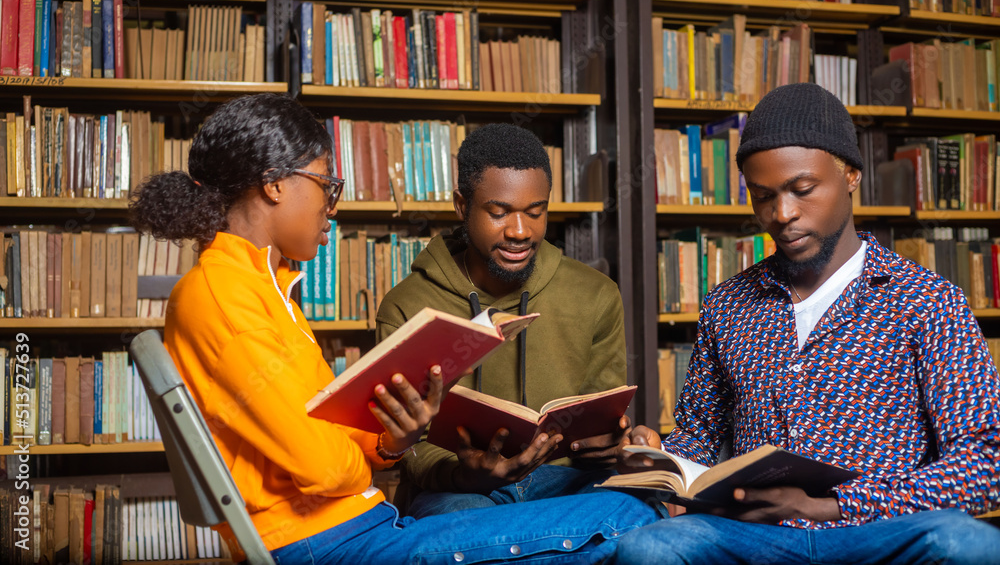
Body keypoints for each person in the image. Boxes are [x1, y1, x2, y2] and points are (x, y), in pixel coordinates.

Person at [129, 94, 662, 565]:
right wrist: (369, 454)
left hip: (355, 528)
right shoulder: (224, 297)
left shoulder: (263, 288)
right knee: (622, 519)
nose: (330, 209)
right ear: (273, 184)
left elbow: (332, 434)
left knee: (615, 514)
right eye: (324, 185)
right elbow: (328, 468)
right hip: (328, 541)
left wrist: (389, 440)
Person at [612, 82, 1000, 565]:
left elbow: (983, 466)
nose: (783, 214)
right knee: (648, 548)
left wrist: (827, 505)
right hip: (755, 538)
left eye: (803, 189)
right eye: (763, 197)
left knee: (970, 543)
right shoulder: (726, 305)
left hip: (874, 533)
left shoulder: (929, 302)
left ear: (851, 174)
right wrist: (659, 457)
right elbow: (699, 440)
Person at [376, 123, 629, 518]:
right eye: (499, 212)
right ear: (462, 206)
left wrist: (613, 444)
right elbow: (403, 446)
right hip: (462, 490)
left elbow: (602, 419)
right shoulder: (408, 307)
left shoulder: (595, 294)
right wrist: (462, 475)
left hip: (562, 483)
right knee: (460, 519)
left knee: (636, 509)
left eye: (536, 212)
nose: (519, 231)